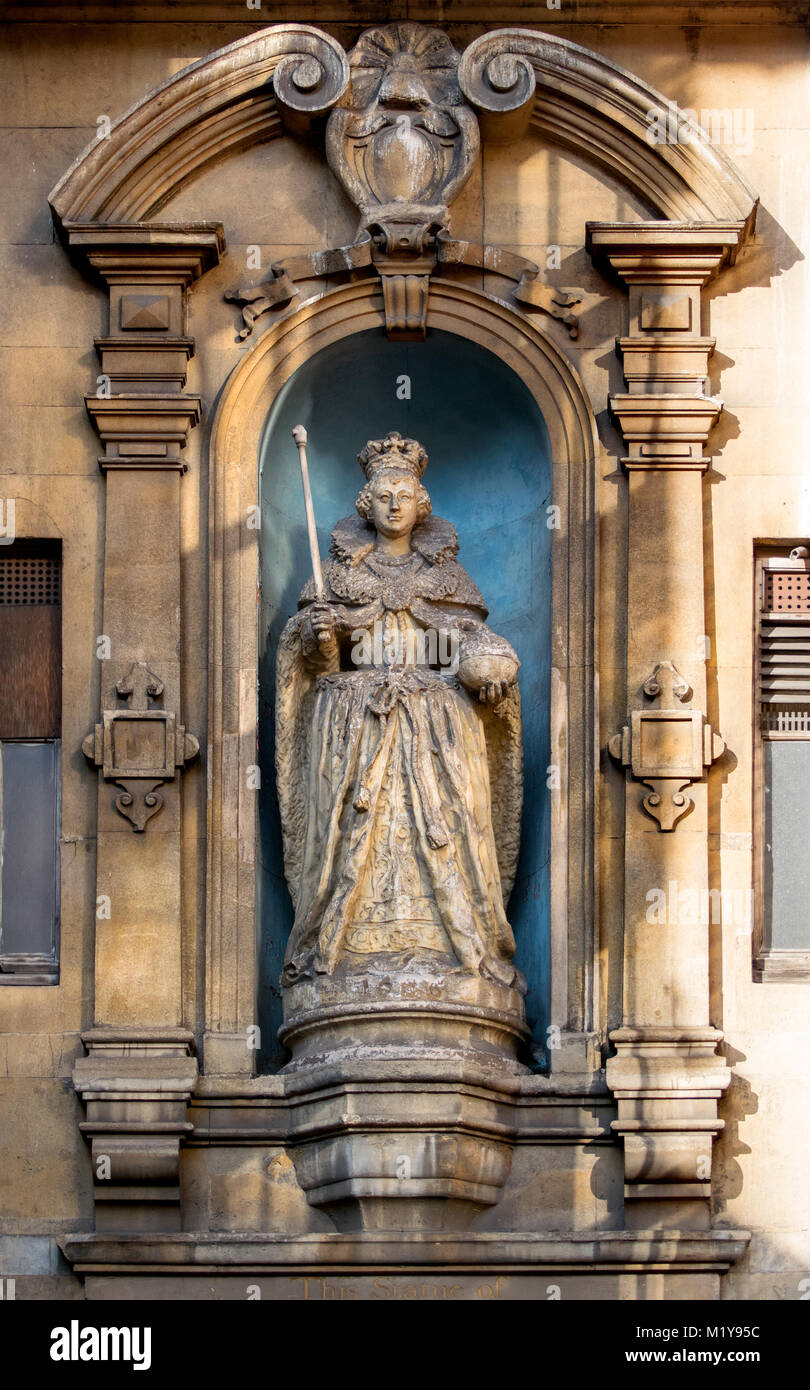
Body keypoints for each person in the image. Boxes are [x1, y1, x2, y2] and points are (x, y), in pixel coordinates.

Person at [275, 431, 524, 990]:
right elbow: (318, 665)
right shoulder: (334, 579)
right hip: (354, 726)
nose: (393, 504)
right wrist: (319, 636)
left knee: (445, 832)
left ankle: (453, 947)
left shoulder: (448, 579)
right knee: (358, 834)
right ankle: (343, 956)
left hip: (437, 728)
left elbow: (469, 644)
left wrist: (485, 672)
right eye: (383, 494)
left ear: (421, 505)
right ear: (366, 503)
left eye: (404, 495)